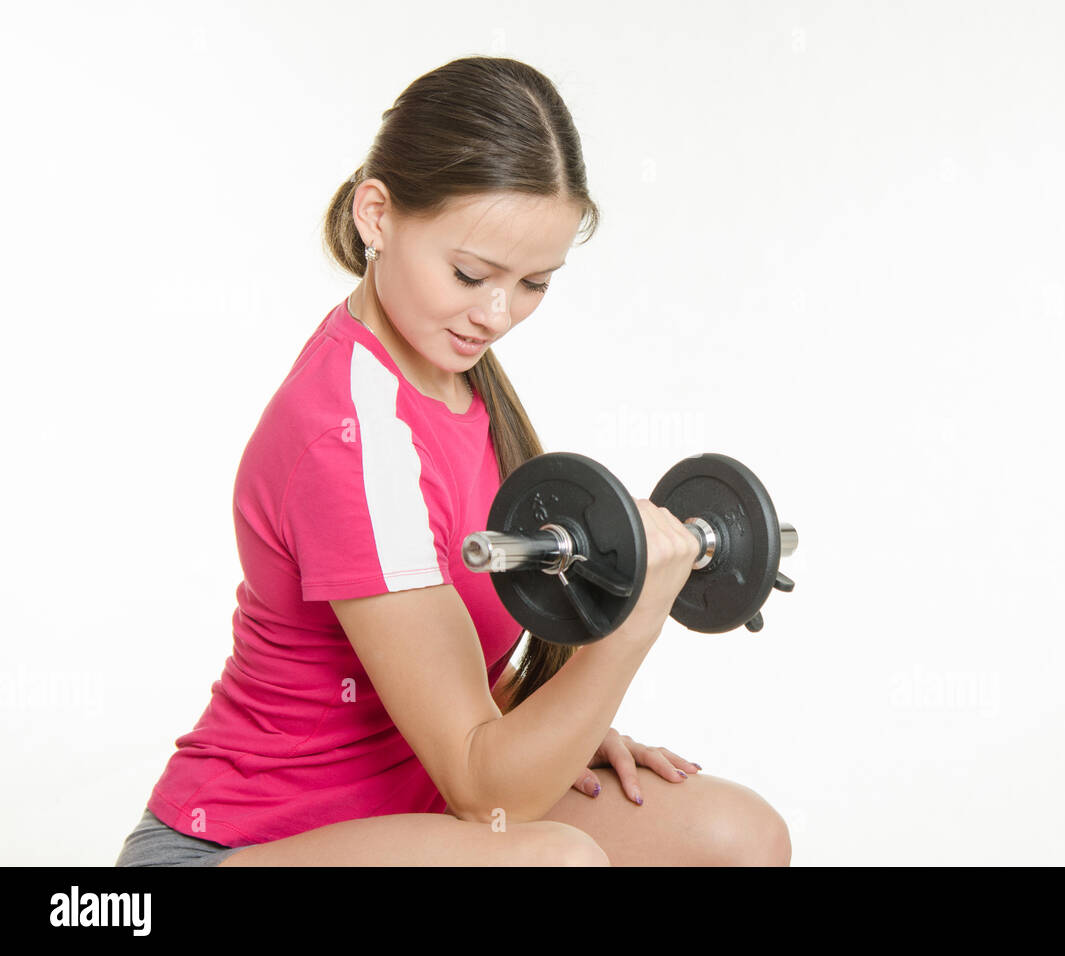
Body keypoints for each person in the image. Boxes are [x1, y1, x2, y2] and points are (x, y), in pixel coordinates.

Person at [114, 56, 791, 867]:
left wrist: (557, 728)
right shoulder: (350, 436)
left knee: (738, 839)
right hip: (236, 849)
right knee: (556, 862)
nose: (498, 315)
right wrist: (631, 625)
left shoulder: (463, 387)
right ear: (377, 214)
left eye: (534, 282)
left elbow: (454, 690)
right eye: (471, 274)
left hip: (427, 815)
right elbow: (484, 785)